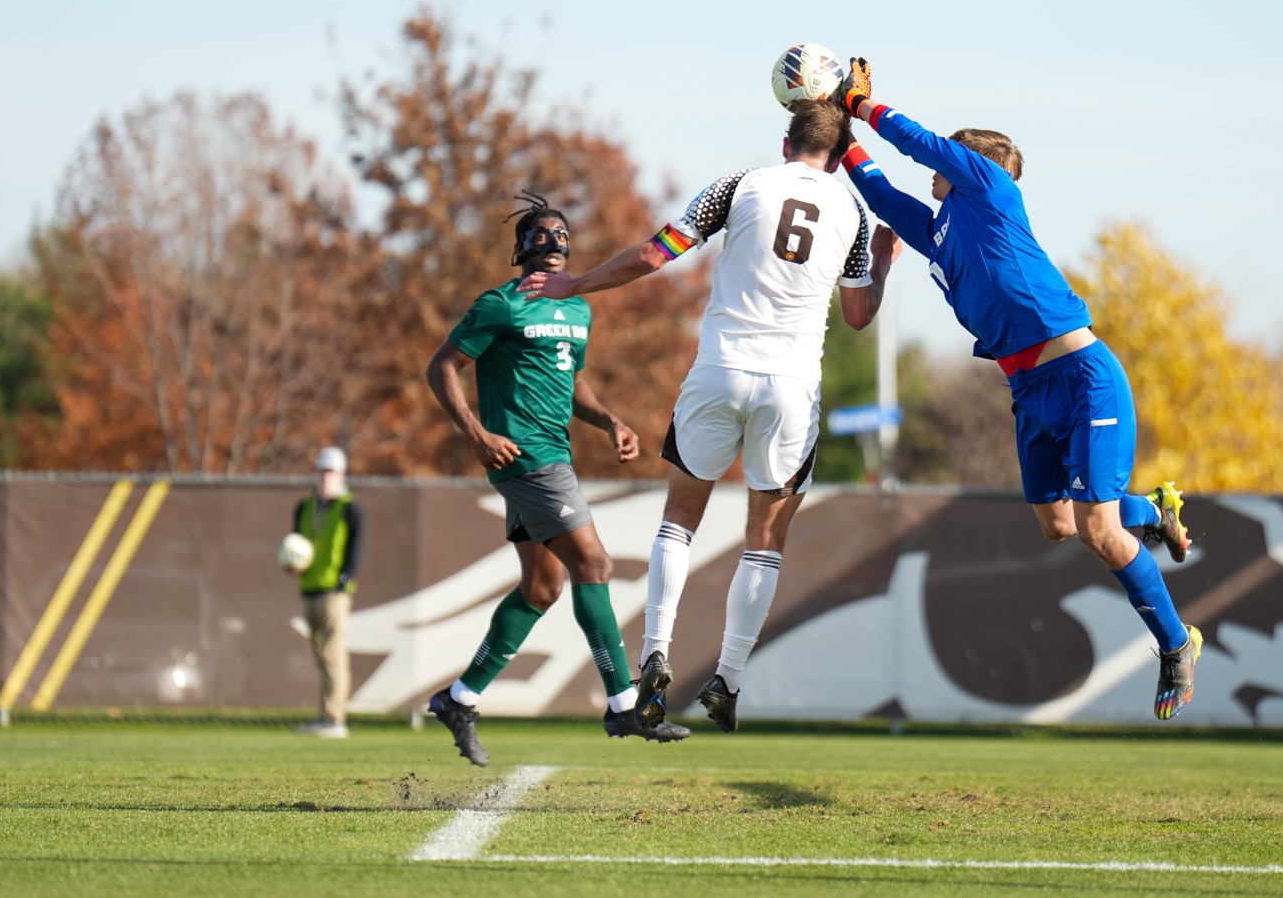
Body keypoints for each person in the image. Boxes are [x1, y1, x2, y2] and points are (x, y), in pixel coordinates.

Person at [835, 60, 1203, 720]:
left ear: (974, 163)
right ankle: (1152, 510)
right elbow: (886, 198)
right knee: (1059, 524)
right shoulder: (945, 227)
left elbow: (921, 142)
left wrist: (863, 105)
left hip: (1082, 377)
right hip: (1030, 391)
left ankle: (1176, 642)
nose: (934, 166)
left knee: (1096, 526)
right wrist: (843, 142)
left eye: (949, 156)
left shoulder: (992, 190)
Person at [521, 99, 900, 732]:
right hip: (791, 386)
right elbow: (859, 315)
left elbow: (652, 254)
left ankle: (654, 656)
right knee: (765, 539)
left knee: (678, 522)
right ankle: (728, 678)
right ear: (837, 159)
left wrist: (573, 283)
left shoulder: (739, 185)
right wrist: (882, 263)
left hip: (720, 369)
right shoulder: (854, 214)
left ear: (785, 143)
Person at [423, 193, 692, 766]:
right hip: (524, 457)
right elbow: (441, 365)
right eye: (539, 236)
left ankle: (459, 698)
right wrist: (475, 432)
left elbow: (572, 382)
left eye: (559, 235)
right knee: (594, 565)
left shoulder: (577, 309)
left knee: (543, 587)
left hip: (556, 455)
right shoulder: (500, 304)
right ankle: (624, 704)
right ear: (521, 250)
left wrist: (610, 420)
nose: (551, 245)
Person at [293, 445, 361, 738]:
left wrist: (344, 582)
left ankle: (334, 719)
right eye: (321, 471)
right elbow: (297, 546)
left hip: (333, 592)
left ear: (342, 475)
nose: (325, 477)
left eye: (331, 472)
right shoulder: (304, 507)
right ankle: (325, 715)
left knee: (333, 654)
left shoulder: (349, 508)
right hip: (308, 589)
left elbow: (356, 549)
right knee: (321, 656)